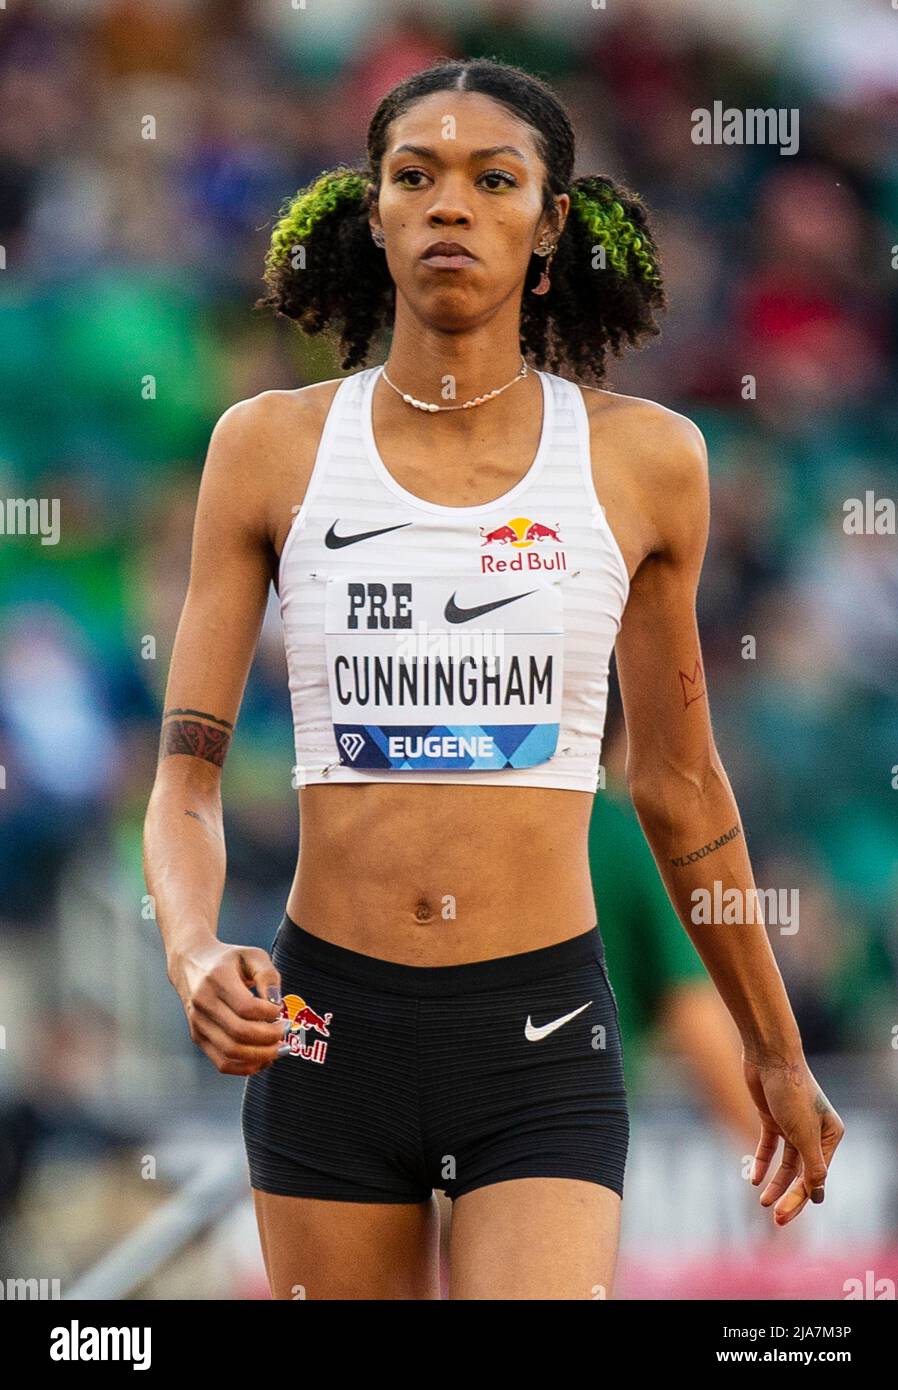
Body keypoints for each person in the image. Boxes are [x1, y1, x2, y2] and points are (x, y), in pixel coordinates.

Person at [143, 58, 843, 1301]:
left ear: (551, 222)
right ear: (375, 211)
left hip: (540, 1035)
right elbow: (185, 781)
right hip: (323, 1028)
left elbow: (682, 786)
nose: (449, 205)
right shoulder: (266, 449)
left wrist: (775, 1050)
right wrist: (195, 948)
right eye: (414, 176)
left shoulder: (643, 462)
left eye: (493, 179)